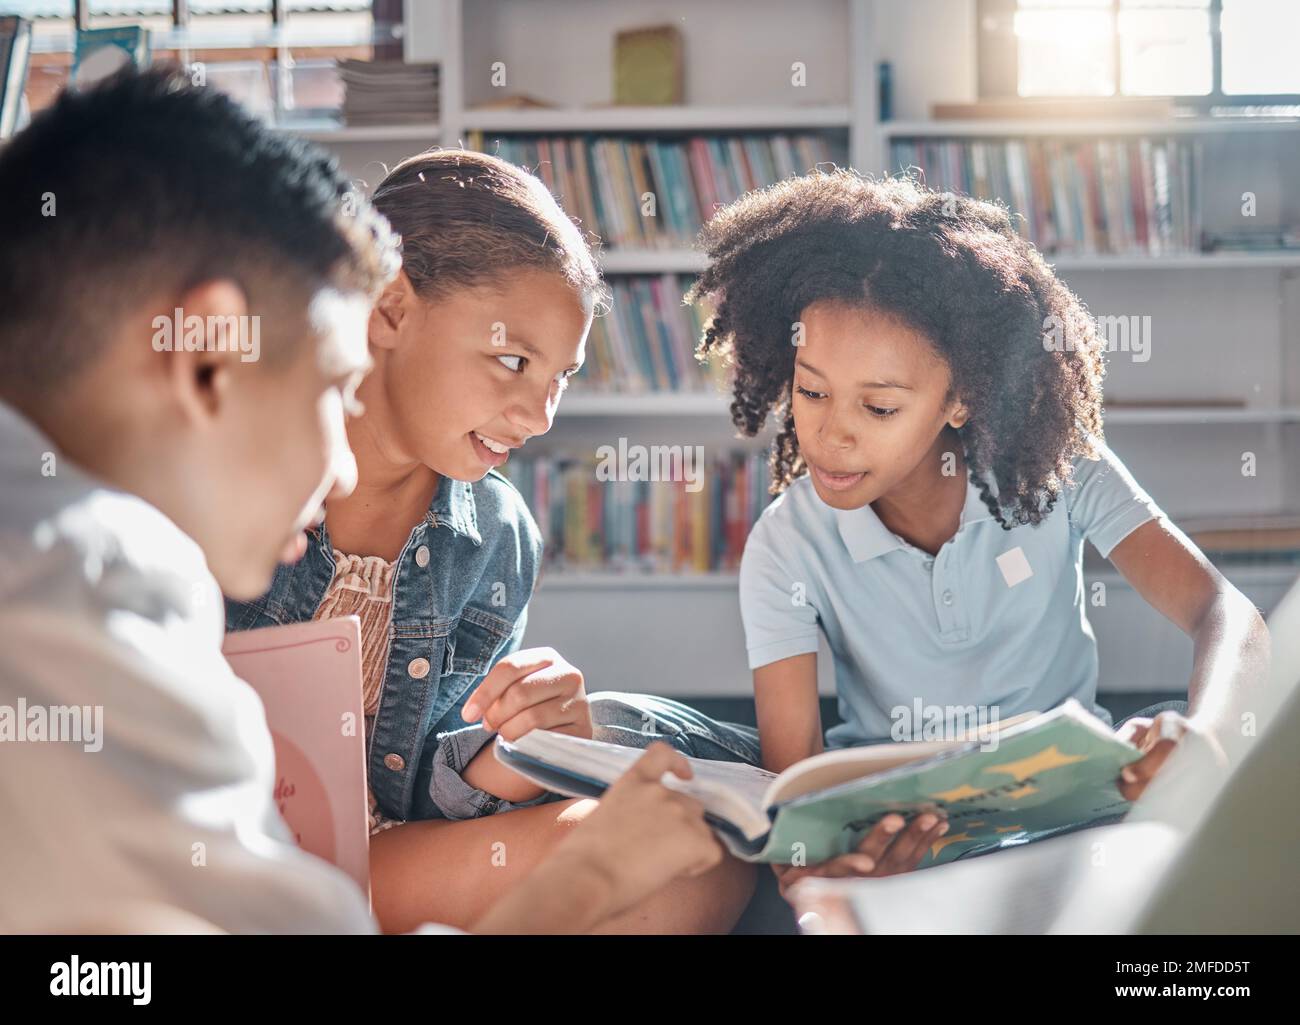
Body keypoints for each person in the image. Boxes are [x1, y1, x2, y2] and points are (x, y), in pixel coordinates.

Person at [0, 66, 724, 935]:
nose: (340, 470)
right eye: (335, 385)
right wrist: (585, 877)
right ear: (207, 357)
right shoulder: (95, 584)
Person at [687, 170, 1270, 899]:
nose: (830, 434)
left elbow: (1224, 612)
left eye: (879, 407)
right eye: (811, 391)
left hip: (1072, 810)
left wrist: (1210, 732)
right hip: (901, 827)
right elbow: (794, 789)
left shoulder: (1058, 468)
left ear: (960, 398)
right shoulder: (786, 545)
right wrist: (819, 857)